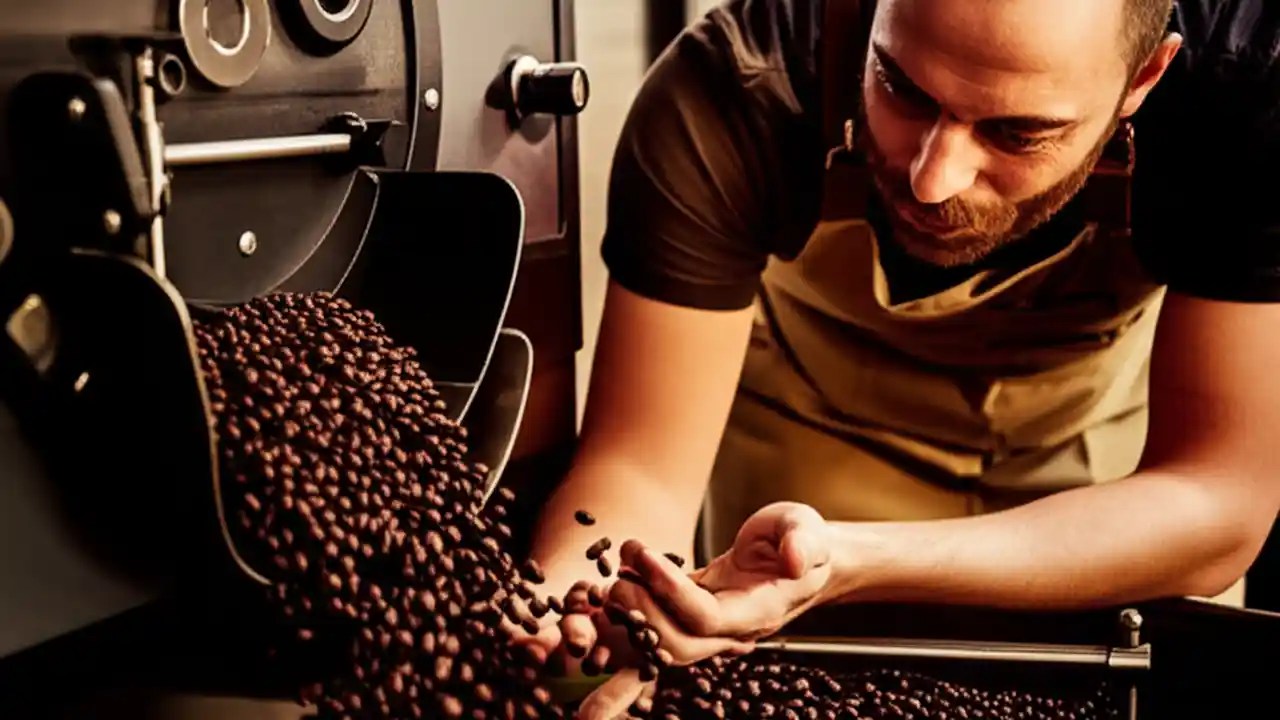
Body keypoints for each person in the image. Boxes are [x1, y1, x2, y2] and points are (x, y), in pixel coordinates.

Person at [521, 0, 1280, 715]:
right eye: (902, 88)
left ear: (1145, 76)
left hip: (1106, 491)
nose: (932, 178)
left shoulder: (1247, 93)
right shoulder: (738, 88)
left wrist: (850, 560)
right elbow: (641, 472)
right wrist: (576, 614)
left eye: (1018, 134)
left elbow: (1219, 493)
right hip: (796, 472)